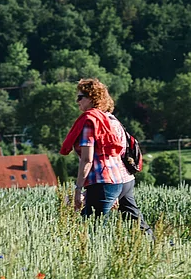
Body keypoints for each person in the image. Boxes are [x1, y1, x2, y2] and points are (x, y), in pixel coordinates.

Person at [59, 78, 150, 231]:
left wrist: (78, 189)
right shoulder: (112, 120)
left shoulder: (90, 121)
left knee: (92, 229)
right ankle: (154, 249)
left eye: (80, 97)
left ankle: (96, 255)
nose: (77, 101)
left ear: (92, 98)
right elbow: (121, 151)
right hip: (124, 179)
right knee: (136, 223)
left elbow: (87, 160)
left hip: (102, 180)